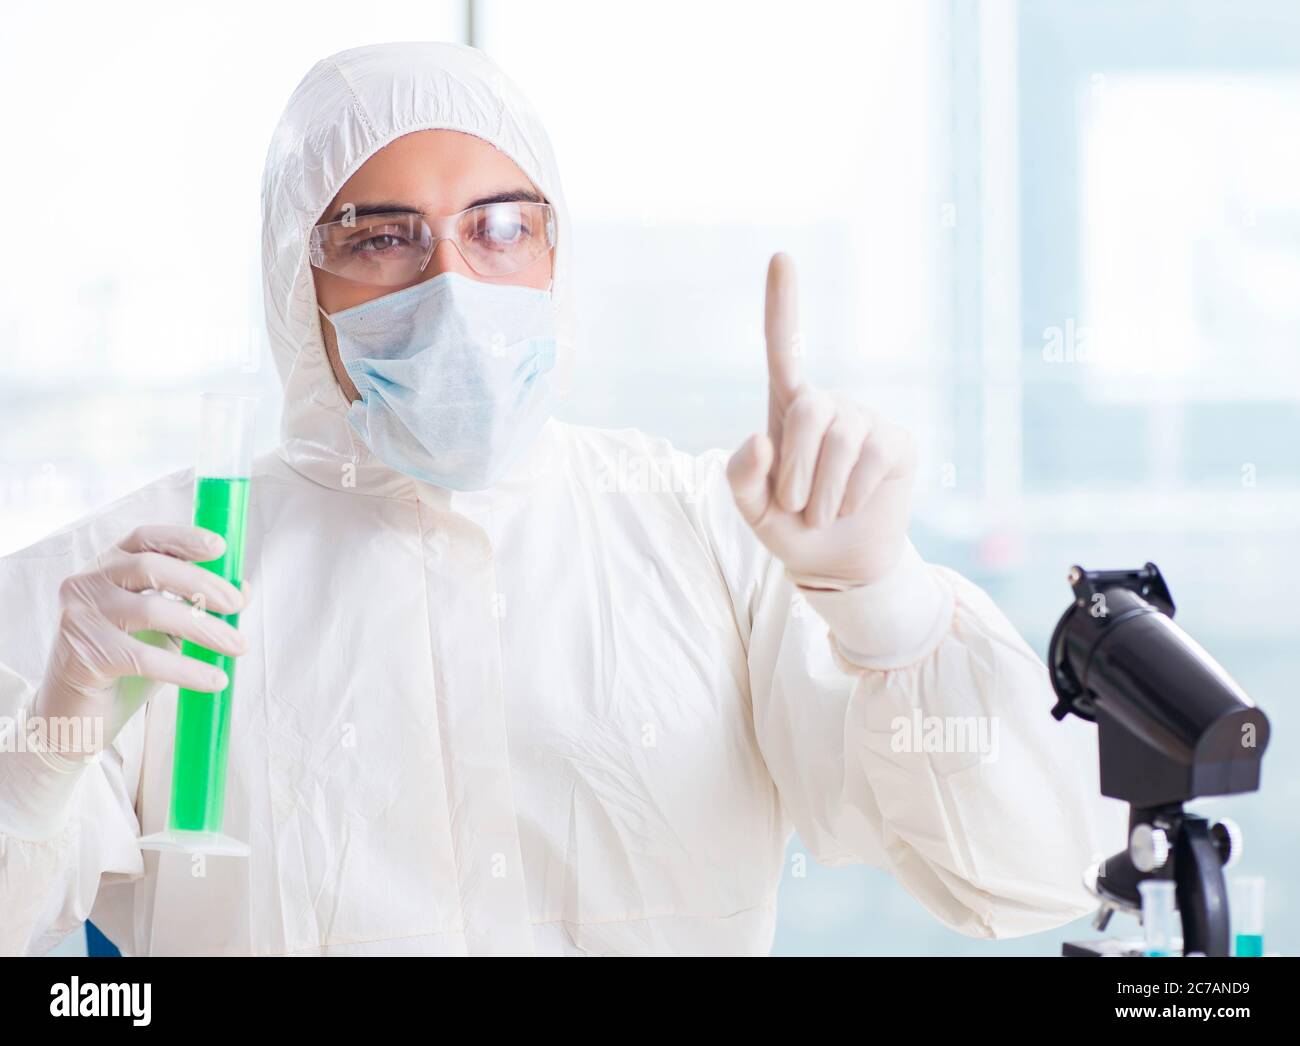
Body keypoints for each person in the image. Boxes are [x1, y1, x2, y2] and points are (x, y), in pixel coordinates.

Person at [0, 41, 1121, 956]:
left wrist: (888, 605)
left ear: (553, 253)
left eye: (500, 225)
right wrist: (42, 752)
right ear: (297, 278)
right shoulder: (138, 586)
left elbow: (1032, 876)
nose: (453, 284)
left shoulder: (709, 533)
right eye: (381, 236)